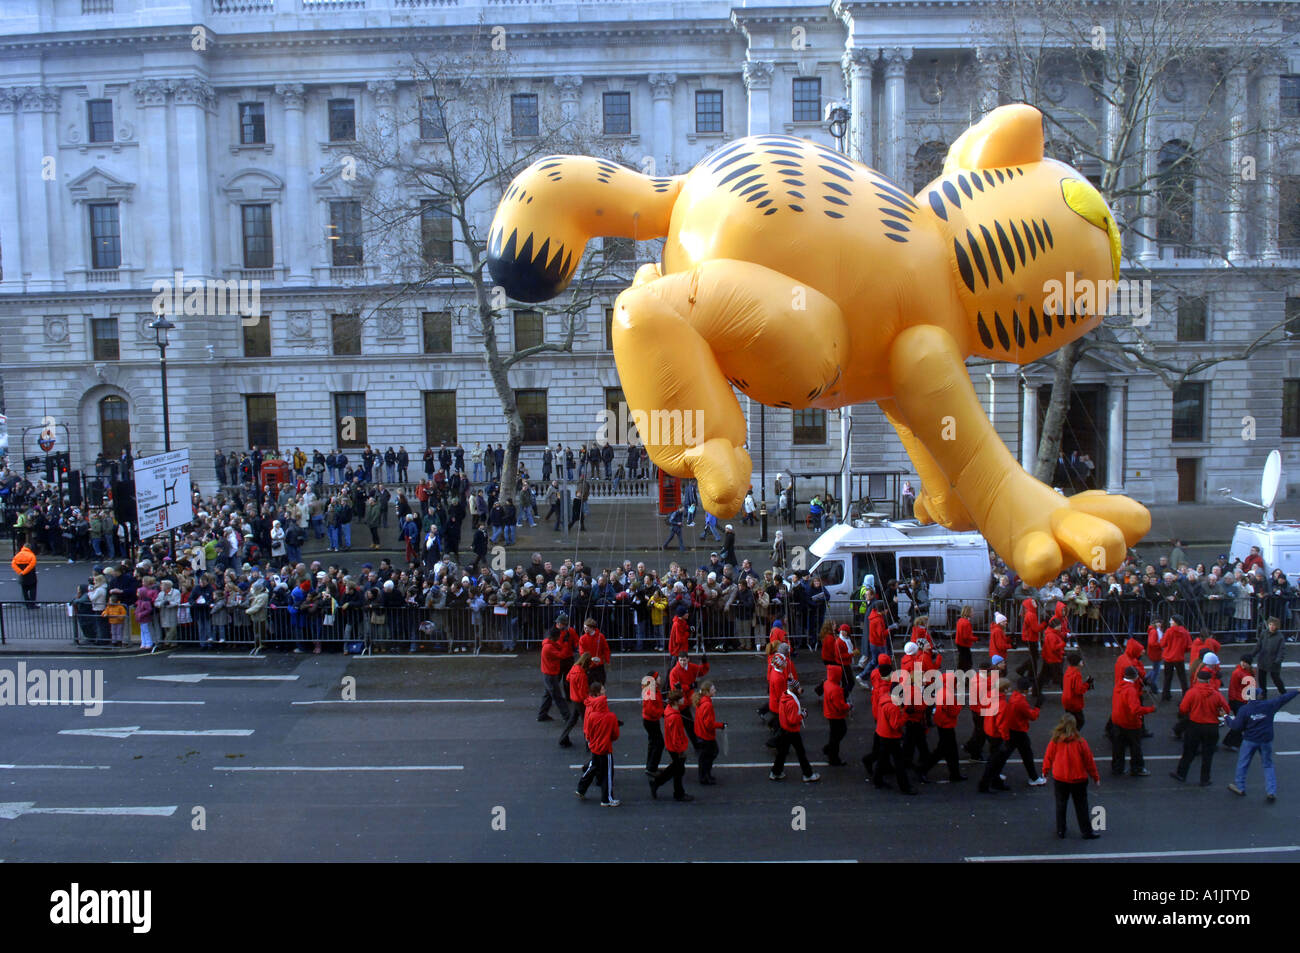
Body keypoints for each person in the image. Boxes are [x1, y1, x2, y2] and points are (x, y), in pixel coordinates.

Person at [1227, 689, 1297, 801]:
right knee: (1268, 764)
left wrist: (1226, 718)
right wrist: (1296, 691)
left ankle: (1240, 786)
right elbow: (1283, 698)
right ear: (1260, 696)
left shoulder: (1245, 709)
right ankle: (1271, 791)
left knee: (1243, 763)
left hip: (1250, 740)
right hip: (1266, 740)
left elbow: (1236, 726)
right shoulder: (1269, 705)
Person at [1040, 714, 1101, 840]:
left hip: (1060, 778)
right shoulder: (1080, 742)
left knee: (1061, 805)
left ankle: (1061, 830)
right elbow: (1089, 761)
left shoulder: (1055, 741)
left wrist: (1045, 772)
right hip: (1078, 779)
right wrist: (1095, 776)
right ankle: (1086, 832)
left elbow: (1048, 758)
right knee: (1081, 806)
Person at [1170, 668, 1230, 787]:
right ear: (1209, 681)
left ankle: (1181, 774)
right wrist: (1218, 713)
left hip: (1195, 725)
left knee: (1189, 752)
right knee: (1208, 754)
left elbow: (1183, 709)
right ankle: (1205, 779)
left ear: (1197, 679)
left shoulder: (1192, 693)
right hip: (1211, 727)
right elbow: (1226, 710)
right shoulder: (1216, 695)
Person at [576, 683, 620, 807]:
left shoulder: (592, 714)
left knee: (593, 766)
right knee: (608, 774)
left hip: (595, 746)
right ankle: (607, 799)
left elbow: (588, 731)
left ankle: (581, 788)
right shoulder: (610, 717)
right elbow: (615, 735)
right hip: (605, 748)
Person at [770, 679, 820, 783]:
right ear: (794, 689)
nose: (800, 689)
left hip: (785, 729)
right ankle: (808, 774)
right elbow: (793, 720)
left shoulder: (785, 696)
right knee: (801, 753)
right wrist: (802, 715)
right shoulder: (792, 702)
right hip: (792, 731)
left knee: (782, 753)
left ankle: (776, 772)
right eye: (798, 688)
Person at [1111, 666, 1155, 776]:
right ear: (1136, 677)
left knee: (1118, 747)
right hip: (1130, 723)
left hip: (1117, 720)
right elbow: (1135, 709)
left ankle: (1117, 768)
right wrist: (1150, 709)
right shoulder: (1131, 691)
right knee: (1135, 747)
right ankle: (1137, 768)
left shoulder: (1119, 686)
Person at [649, 690, 693, 802]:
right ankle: (678, 793)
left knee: (676, 768)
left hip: (671, 746)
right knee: (678, 771)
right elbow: (675, 737)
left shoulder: (669, 711)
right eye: (682, 698)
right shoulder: (675, 717)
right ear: (676, 702)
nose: (684, 700)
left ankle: (658, 783)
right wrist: (680, 751)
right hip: (676, 748)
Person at [693, 681, 725, 784]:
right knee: (711, 754)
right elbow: (709, 724)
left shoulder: (701, 701)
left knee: (705, 756)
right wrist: (721, 725)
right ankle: (705, 776)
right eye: (713, 689)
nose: (715, 690)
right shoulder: (707, 705)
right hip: (706, 736)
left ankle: (704, 775)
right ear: (707, 692)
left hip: (700, 733)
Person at [1221, 655, 1255, 751]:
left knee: (1240, 722)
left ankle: (1231, 741)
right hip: (1238, 701)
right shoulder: (1238, 673)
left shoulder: (1248, 672)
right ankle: (1232, 742)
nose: (1243, 663)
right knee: (1241, 723)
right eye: (1242, 661)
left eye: (1245, 662)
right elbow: (1233, 688)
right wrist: (1232, 701)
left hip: (1243, 701)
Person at [537, 628, 571, 723]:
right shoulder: (549, 648)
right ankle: (567, 716)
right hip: (550, 674)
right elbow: (562, 655)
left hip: (549, 674)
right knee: (558, 697)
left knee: (548, 695)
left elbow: (558, 647)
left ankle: (542, 714)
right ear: (554, 637)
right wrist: (566, 643)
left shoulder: (549, 644)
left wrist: (563, 642)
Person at [559, 652, 591, 748]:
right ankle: (588, 742)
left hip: (574, 698)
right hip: (580, 701)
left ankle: (563, 738)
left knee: (572, 720)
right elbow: (583, 692)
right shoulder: (582, 675)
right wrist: (589, 701)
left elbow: (567, 678)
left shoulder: (574, 668)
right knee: (586, 722)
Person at [821, 664, 852, 766]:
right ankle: (833, 755)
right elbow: (840, 706)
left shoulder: (827, 683)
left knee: (834, 734)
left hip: (829, 713)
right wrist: (848, 706)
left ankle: (830, 749)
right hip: (836, 715)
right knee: (839, 733)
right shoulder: (835, 689)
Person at [1160, 615, 1191, 700]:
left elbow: (1163, 644)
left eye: (1171, 621)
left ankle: (1166, 694)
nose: (1170, 622)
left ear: (1175, 622)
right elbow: (1189, 646)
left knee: (1167, 677)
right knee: (1182, 677)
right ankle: (1185, 695)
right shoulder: (1185, 632)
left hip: (1168, 658)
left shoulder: (1169, 631)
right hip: (1179, 657)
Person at [1255, 617, 1287, 698]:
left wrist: (1278, 660)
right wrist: (1252, 654)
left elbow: (1281, 650)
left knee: (1276, 678)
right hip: (1263, 660)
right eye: (1270, 624)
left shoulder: (1280, 637)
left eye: (1274, 625)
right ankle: (1263, 693)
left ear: (1277, 626)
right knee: (1261, 678)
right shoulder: (1264, 633)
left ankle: (1283, 691)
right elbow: (1258, 646)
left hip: (1273, 662)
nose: (1271, 626)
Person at [641, 673, 666, 776]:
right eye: (658, 677)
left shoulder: (653, 689)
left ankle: (650, 766)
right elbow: (650, 710)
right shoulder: (651, 691)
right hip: (651, 721)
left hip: (650, 720)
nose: (660, 678)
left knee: (653, 743)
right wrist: (661, 712)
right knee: (659, 743)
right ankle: (652, 767)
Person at [1062, 652, 1093, 731]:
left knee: (1069, 721)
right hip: (1074, 702)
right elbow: (1078, 690)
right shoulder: (1077, 674)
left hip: (1067, 700)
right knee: (1079, 721)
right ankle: (1071, 735)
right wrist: (1087, 684)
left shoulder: (1069, 671)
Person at [11, 543, 37, 607]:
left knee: (24, 590)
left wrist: (20, 572)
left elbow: (13, 564)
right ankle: (32, 604)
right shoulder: (31, 555)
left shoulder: (17, 555)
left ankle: (27, 603)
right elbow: (32, 564)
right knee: (32, 589)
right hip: (31, 575)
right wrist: (25, 571)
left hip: (22, 576)